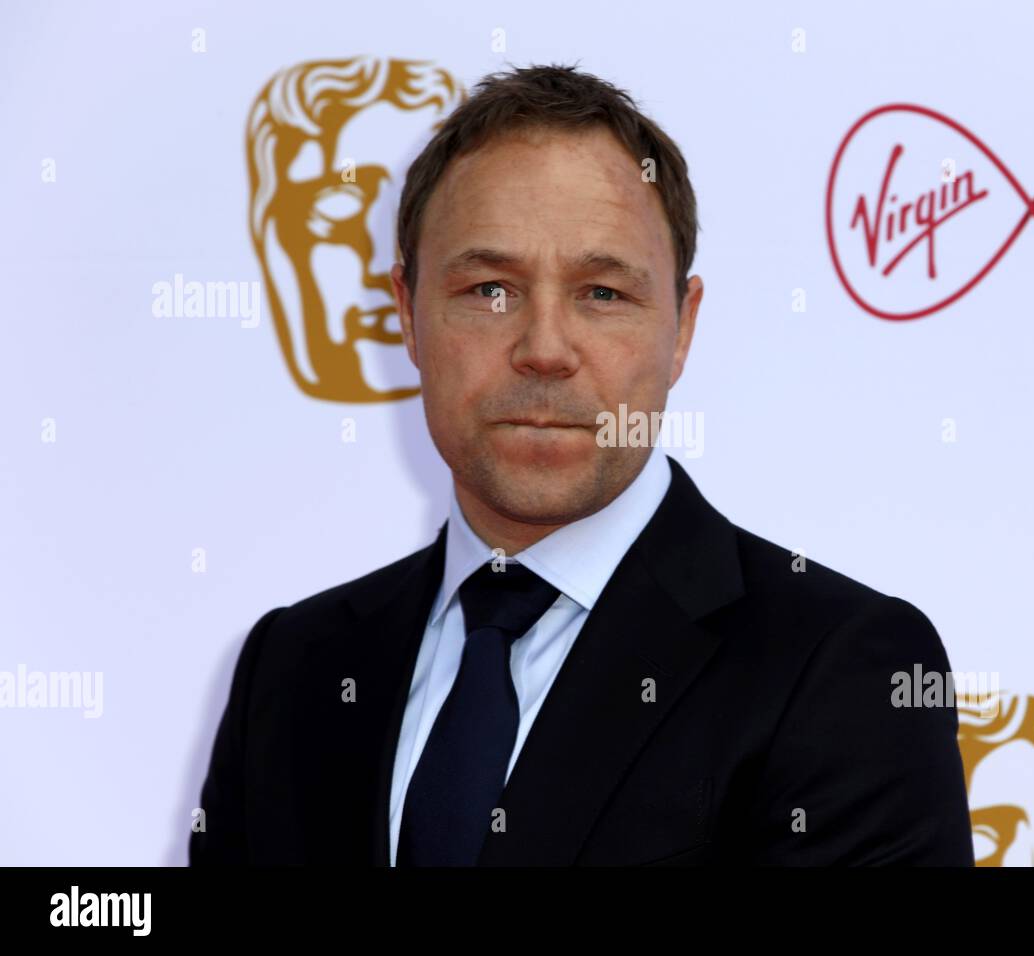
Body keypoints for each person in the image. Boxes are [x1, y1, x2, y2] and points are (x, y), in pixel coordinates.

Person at [190, 63, 974, 866]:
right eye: (490, 290)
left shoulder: (840, 669)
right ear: (407, 315)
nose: (544, 351)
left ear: (682, 328)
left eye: (602, 294)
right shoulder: (291, 669)